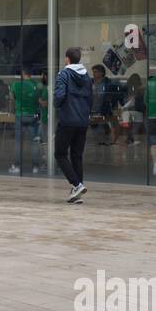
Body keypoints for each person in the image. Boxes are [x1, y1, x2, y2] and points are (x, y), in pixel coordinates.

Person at [53, 48, 92, 201]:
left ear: (67, 59)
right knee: (77, 155)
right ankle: (77, 191)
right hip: (82, 121)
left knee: (60, 153)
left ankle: (76, 184)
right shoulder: (87, 76)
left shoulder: (64, 74)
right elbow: (91, 98)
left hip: (68, 120)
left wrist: (57, 105)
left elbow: (59, 95)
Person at [9, 66, 40, 175]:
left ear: (23, 73)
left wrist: (16, 107)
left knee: (18, 142)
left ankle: (17, 166)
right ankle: (35, 167)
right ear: (30, 74)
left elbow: (11, 98)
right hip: (32, 115)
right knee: (34, 142)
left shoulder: (15, 84)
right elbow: (39, 100)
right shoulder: (36, 84)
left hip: (20, 114)